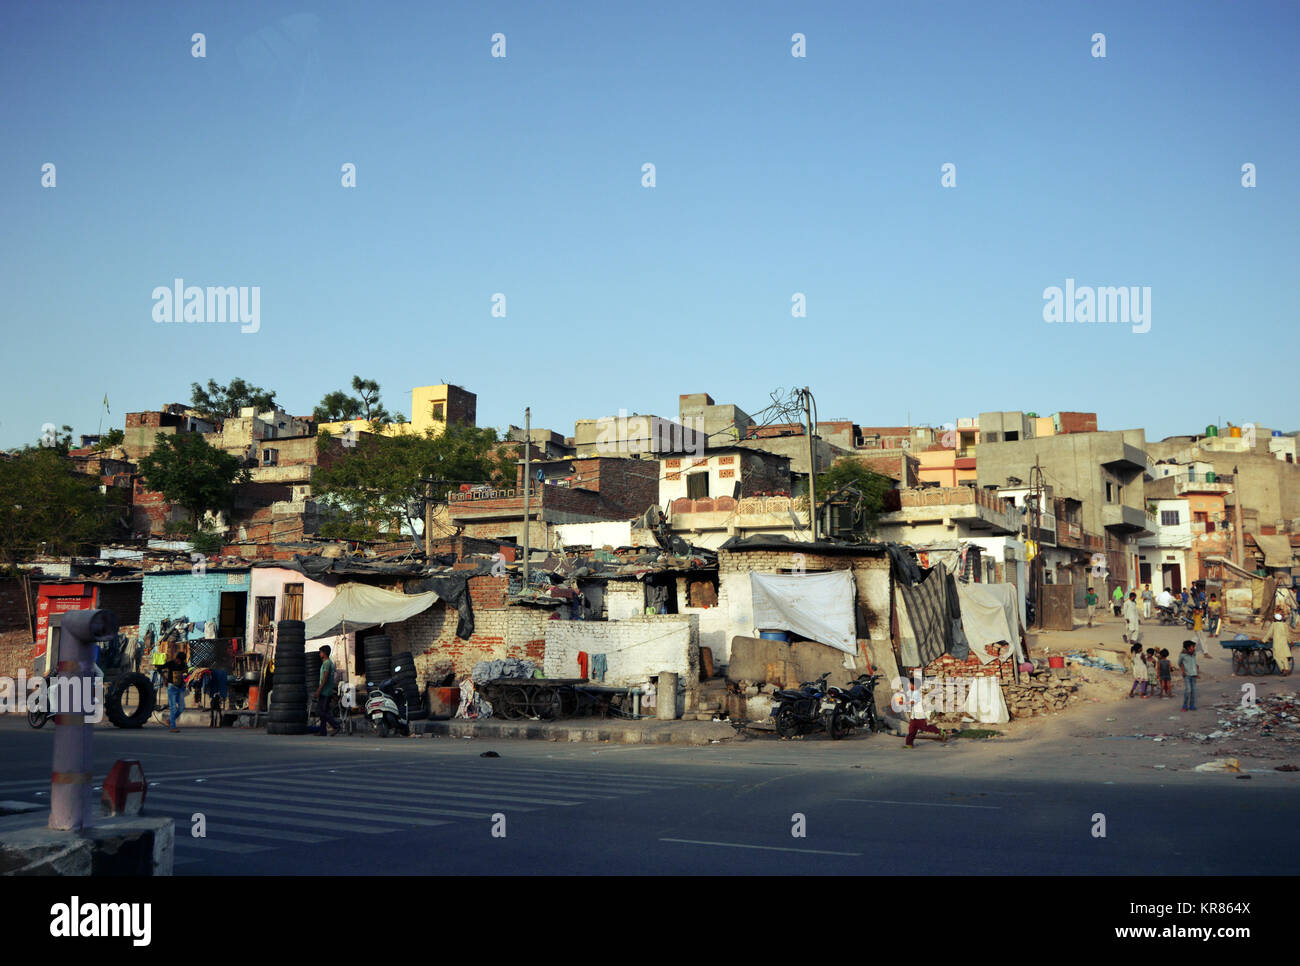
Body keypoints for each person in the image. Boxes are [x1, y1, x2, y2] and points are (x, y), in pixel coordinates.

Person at [902, 676, 946, 748]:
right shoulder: (912, 692)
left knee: (925, 728)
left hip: (919, 716)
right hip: (914, 716)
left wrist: (903, 703)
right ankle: (909, 744)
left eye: (910, 684)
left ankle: (939, 731)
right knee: (911, 730)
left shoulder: (917, 693)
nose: (909, 686)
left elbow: (913, 702)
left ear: (914, 685)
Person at [314, 645, 341, 736]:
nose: (320, 654)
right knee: (323, 711)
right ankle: (322, 731)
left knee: (323, 711)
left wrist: (318, 690)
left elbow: (325, 678)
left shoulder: (326, 663)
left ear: (324, 653)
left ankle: (336, 725)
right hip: (327, 690)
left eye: (321, 652)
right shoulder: (329, 663)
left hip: (325, 691)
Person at [160, 649, 189, 732]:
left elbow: (185, 674)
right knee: (173, 707)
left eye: (180, 660)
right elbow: (159, 668)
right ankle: (173, 726)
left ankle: (170, 720)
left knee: (181, 707)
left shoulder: (184, 665)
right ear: (176, 659)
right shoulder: (171, 663)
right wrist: (164, 677)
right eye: (177, 660)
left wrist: (185, 678)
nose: (178, 661)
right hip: (172, 687)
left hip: (180, 688)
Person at [1270, 611, 1293, 676]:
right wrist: (1290, 641)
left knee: (1276, 657)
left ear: (1275, 619)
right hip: (1284, 643)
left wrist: (1263, 640)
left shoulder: (1273, 625)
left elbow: (1269, 633)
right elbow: (1287, 634)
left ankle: (1282, 669)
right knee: (1284, 657)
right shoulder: (1284, 625)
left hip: (1277, 643)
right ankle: (1286, 669)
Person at [1179, 640, 1199, 711]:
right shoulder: (1182, 655)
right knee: (1188, 690)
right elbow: (1180, 663)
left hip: (1194, 674)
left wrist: (1197, 672)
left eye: (1194, 647)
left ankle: (1192, 705)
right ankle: (1185, 705)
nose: (1193, 649)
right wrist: (1183, 671)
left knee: (1193, 691)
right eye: (1192, 647)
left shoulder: (1194, 654)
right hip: (1187, 675)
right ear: (1187, 648)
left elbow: (1195, 663)